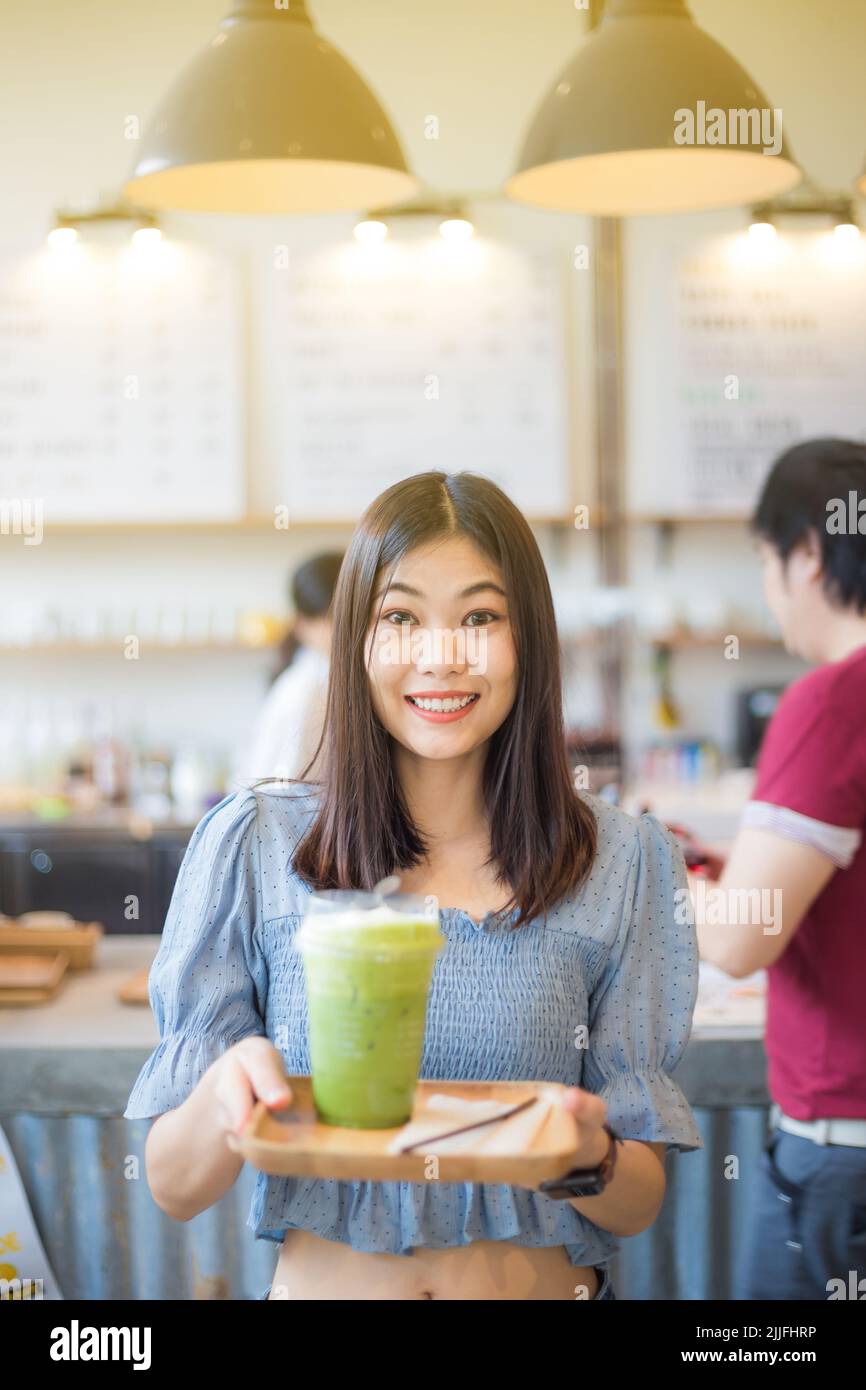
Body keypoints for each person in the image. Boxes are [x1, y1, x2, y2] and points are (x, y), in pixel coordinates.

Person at [125, 470, 702, 1302]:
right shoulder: (257, 846)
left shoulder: (624, 860)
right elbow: (174, 1188)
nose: (442, 656)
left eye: (480, 617)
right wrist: (224, 1092)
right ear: (356, 640)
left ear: (526, 640)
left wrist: (589, 1154)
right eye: (401, 618)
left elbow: (637, 1204)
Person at [696, 438, 866, 1301]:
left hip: (846, 1151)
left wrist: (679, 893)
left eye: (767, 560)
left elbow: (739, 941)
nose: (769, 591)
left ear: (808, 550)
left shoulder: (832, 701)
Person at [236, 552, 343, 785]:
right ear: (301, 625)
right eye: (333, 618)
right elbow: (279, 794)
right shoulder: (304, 692)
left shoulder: (332, 681)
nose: (348, 628)